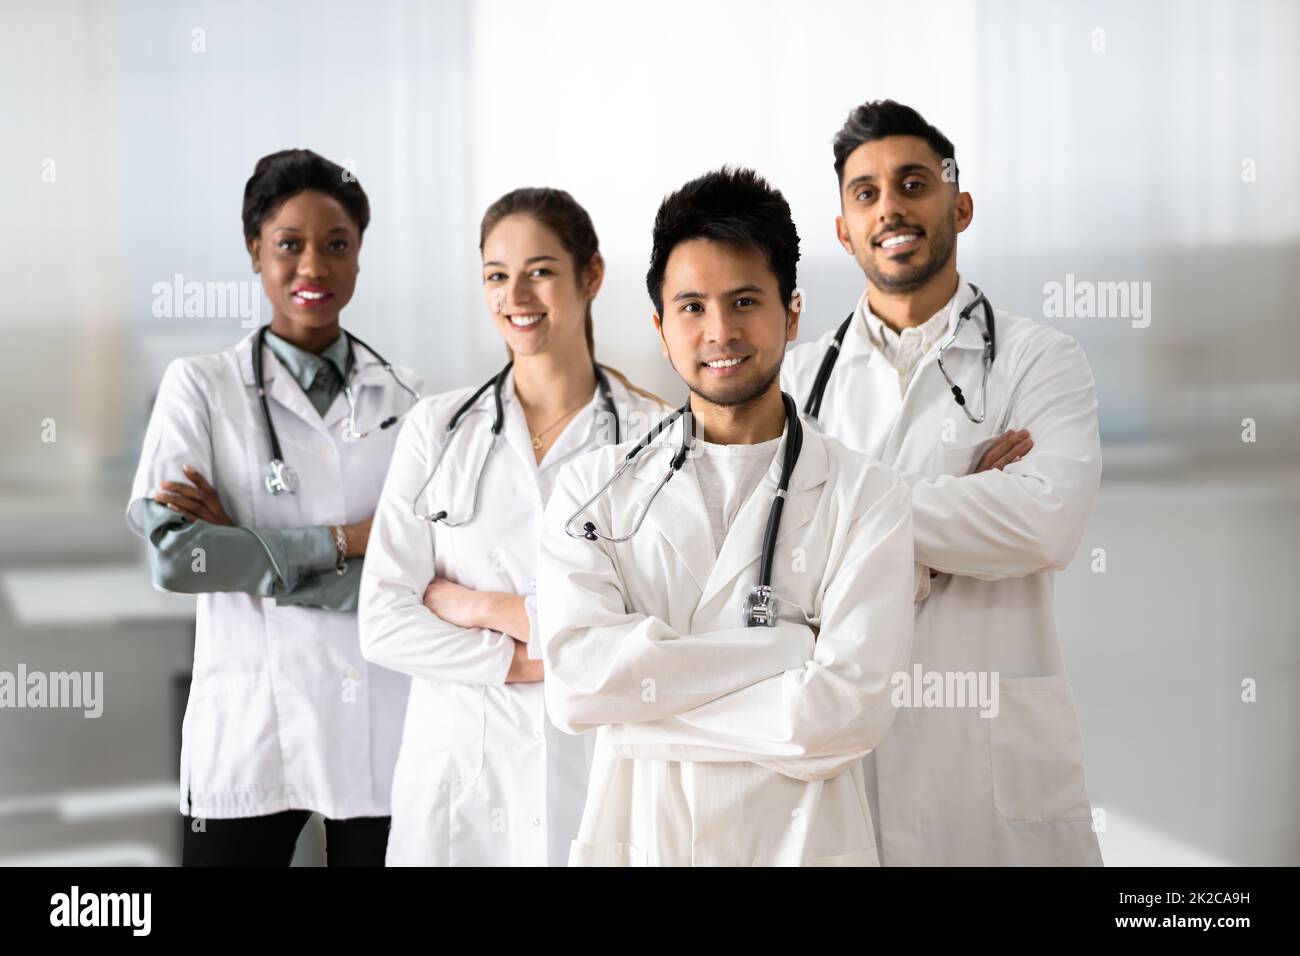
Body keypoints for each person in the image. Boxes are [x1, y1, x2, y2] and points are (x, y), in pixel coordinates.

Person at [538, 167, 915, 867]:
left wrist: (633, 720)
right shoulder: (592, 492)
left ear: (791, 313)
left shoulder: (867, 496)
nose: (720, 331)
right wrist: (784, 653)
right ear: (659, 325)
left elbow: (841, 715)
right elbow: (574, 686)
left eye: (745, 300)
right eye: (691, 307)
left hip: (801, 845)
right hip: (641, 841)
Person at [782, 99, 1104, 866]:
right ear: (843, 230)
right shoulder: (795, 385)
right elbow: (778, 569)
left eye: (913, 183)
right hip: (845, 764)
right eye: (865, 193)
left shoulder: (1040, 361)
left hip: (989, 771)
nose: (890, 207)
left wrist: (839, 509)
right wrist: (962, 500)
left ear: (958, 203)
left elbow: (1042, 523)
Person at [125, 149, 421, 866]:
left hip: (381, 727)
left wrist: (246, 545)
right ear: (256, 250)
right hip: (253, 727)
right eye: (289, 244)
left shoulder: (409, 400)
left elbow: (414, 572)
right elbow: (177, 556)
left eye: (337, 245)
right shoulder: (199, 387)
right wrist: (351, 539)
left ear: (358, 259)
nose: (313, 267)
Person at [358, 187, 666, 866]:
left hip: (595, 776)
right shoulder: (436, 429)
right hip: (459, 784)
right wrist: (516, 662)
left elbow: (655, 626)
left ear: (591, 275)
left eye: (541, 271)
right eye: (497, 276)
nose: (516, 295)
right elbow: (382, 621)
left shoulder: (656, 437)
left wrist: (475, 606)